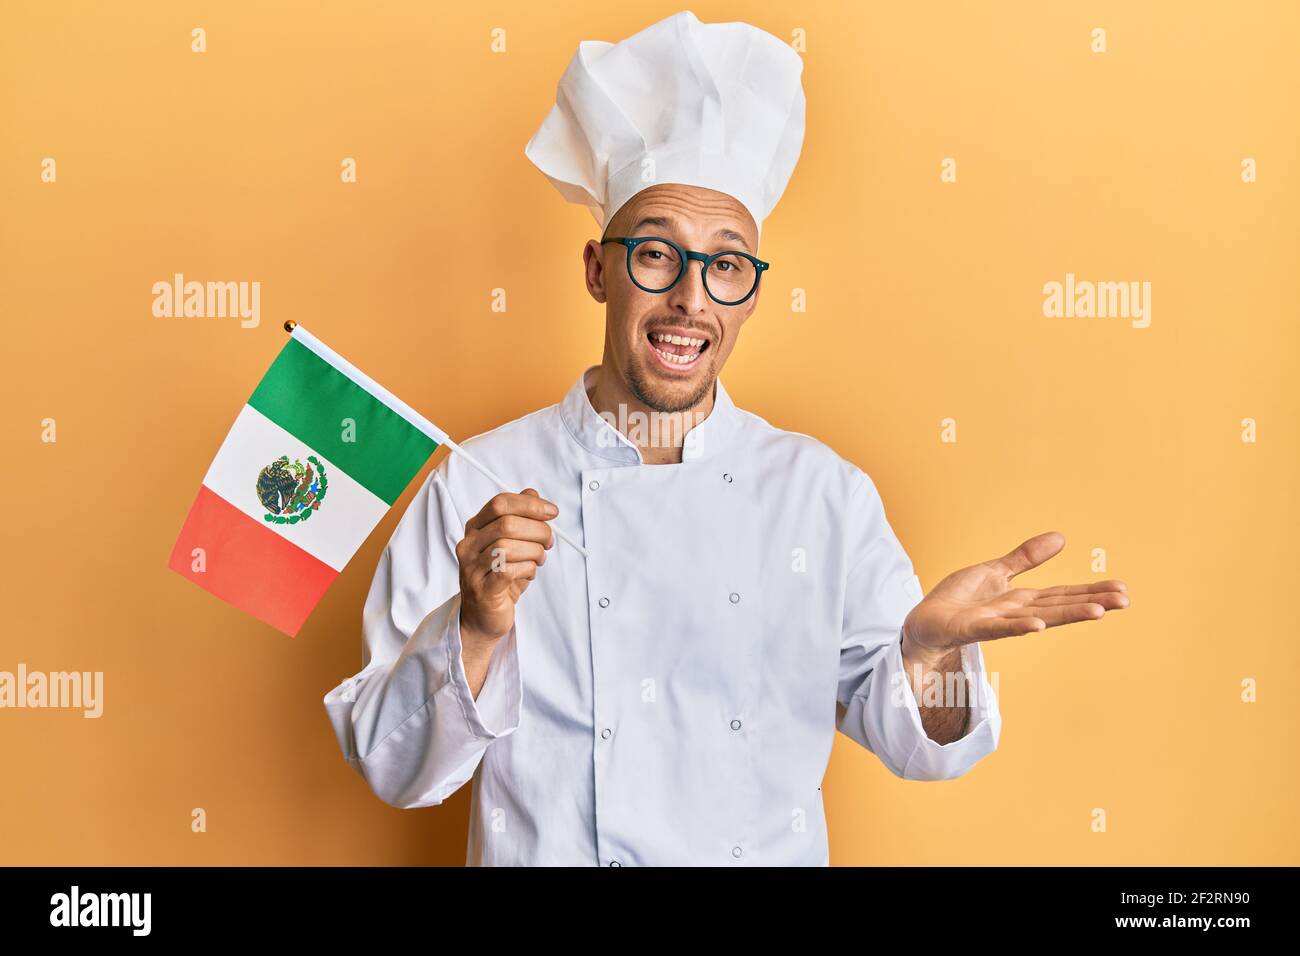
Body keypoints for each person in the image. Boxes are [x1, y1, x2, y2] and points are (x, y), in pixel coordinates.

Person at [323, 10, 1129, 866]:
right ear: (599, 270)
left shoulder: (821, 495)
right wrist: (477, 629)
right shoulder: (479, 482)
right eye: (657, 255)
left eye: (727, 264)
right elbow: (389, 766)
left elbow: (919, 746)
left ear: (750, 293)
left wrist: (925, 654)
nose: (690, 299)